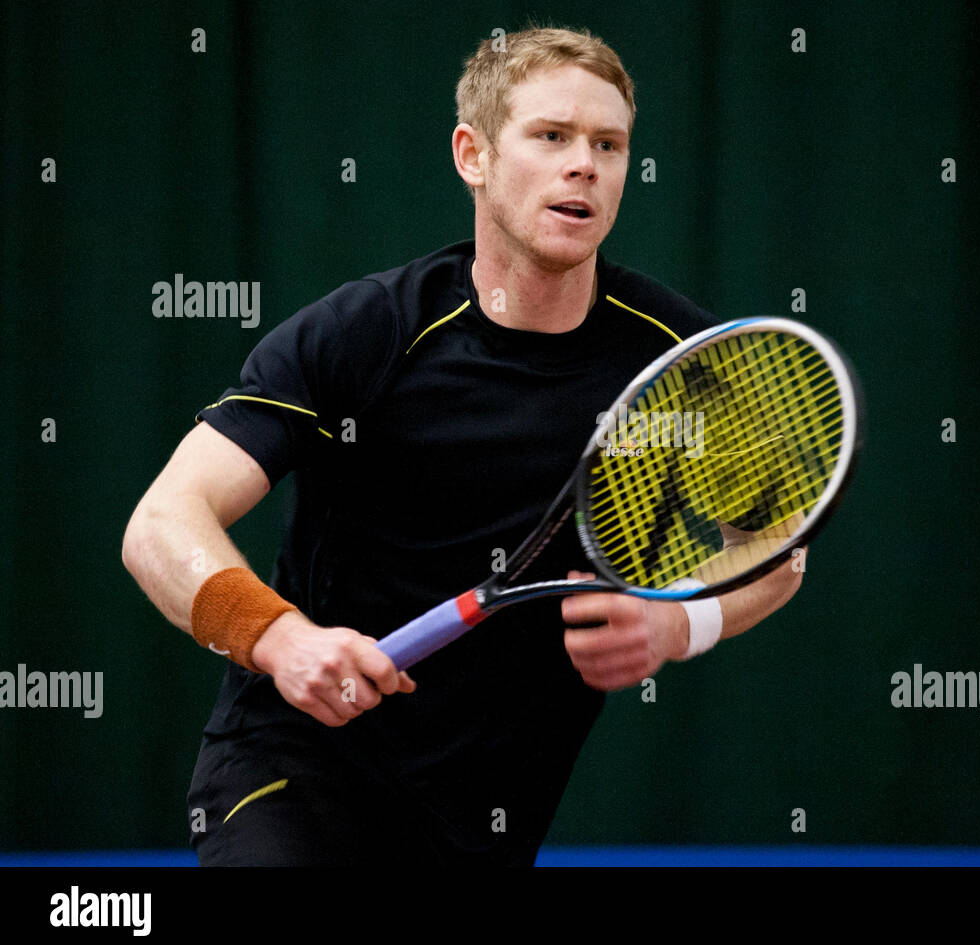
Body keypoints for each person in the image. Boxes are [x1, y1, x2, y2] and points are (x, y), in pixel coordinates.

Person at [122, 26, 802, 866]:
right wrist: (280, 637)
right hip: (293, 770)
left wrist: (679, 624)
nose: (583, 163)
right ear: (472, 155)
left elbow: (775, 552)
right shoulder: (365, 332)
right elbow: (161, 522)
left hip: (491, 812)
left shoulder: (680, 360)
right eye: (551, 136)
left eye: (608, 143)